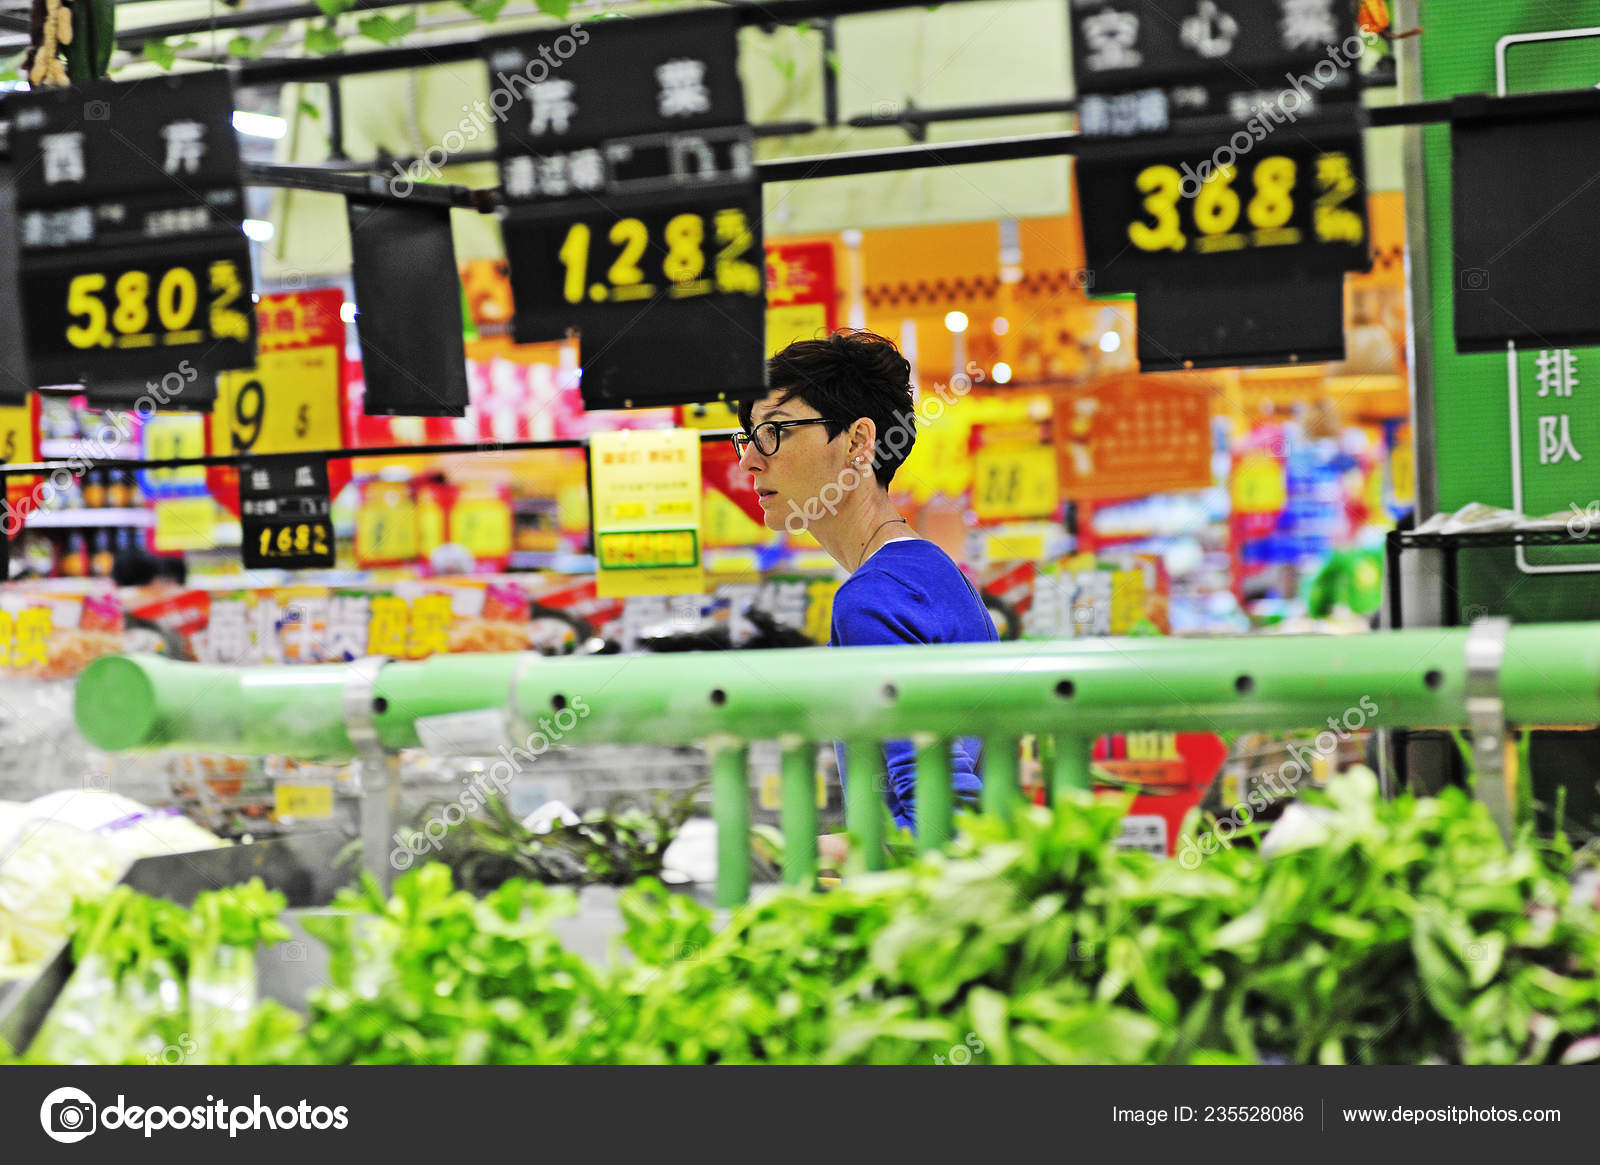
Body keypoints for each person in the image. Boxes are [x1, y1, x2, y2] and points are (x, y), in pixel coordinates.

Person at [735, 329, 997, 849]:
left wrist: (803, 853)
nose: (749, 461)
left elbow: (941, 821)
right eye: (748, 437)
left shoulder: (871, 600)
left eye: (774, 433)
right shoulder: (932, 569)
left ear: (857, 442)